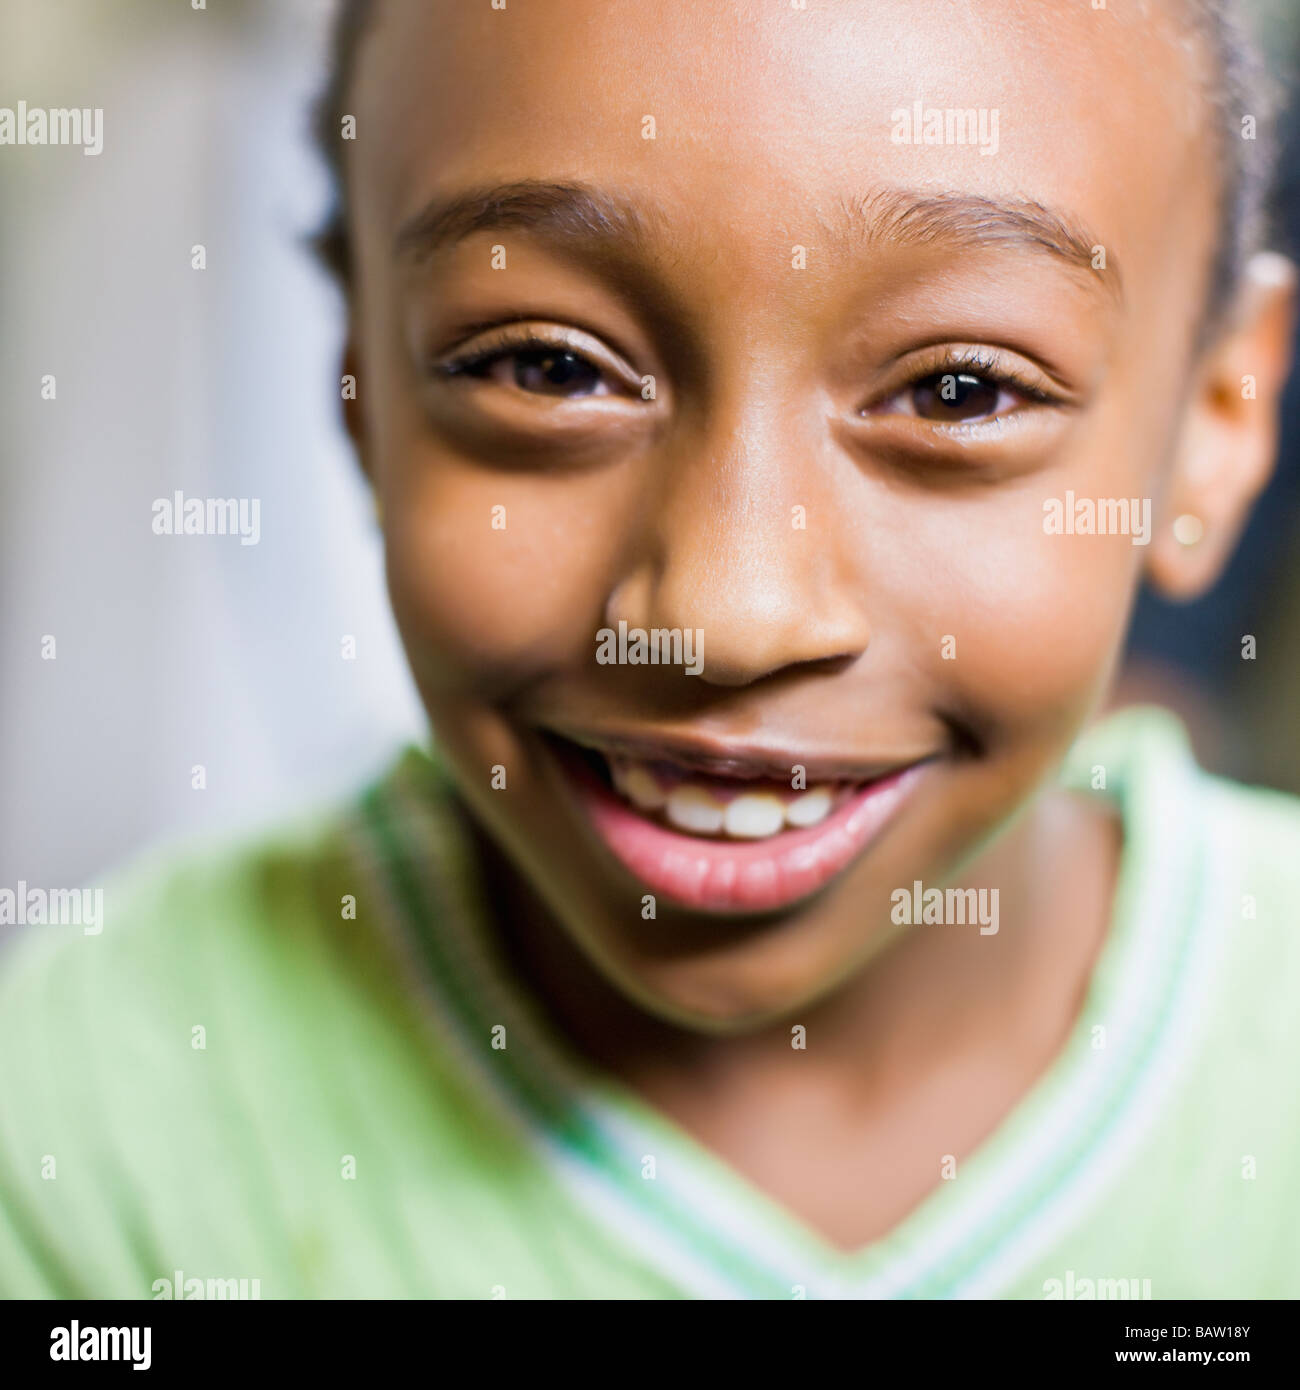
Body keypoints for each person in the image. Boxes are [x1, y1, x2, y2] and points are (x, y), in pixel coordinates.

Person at [2, 0, 1298, 1299]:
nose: (723, 616)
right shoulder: (85, 1132)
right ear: (360, 390)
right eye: (549, 368)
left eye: (958, 389)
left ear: (1217, 420)